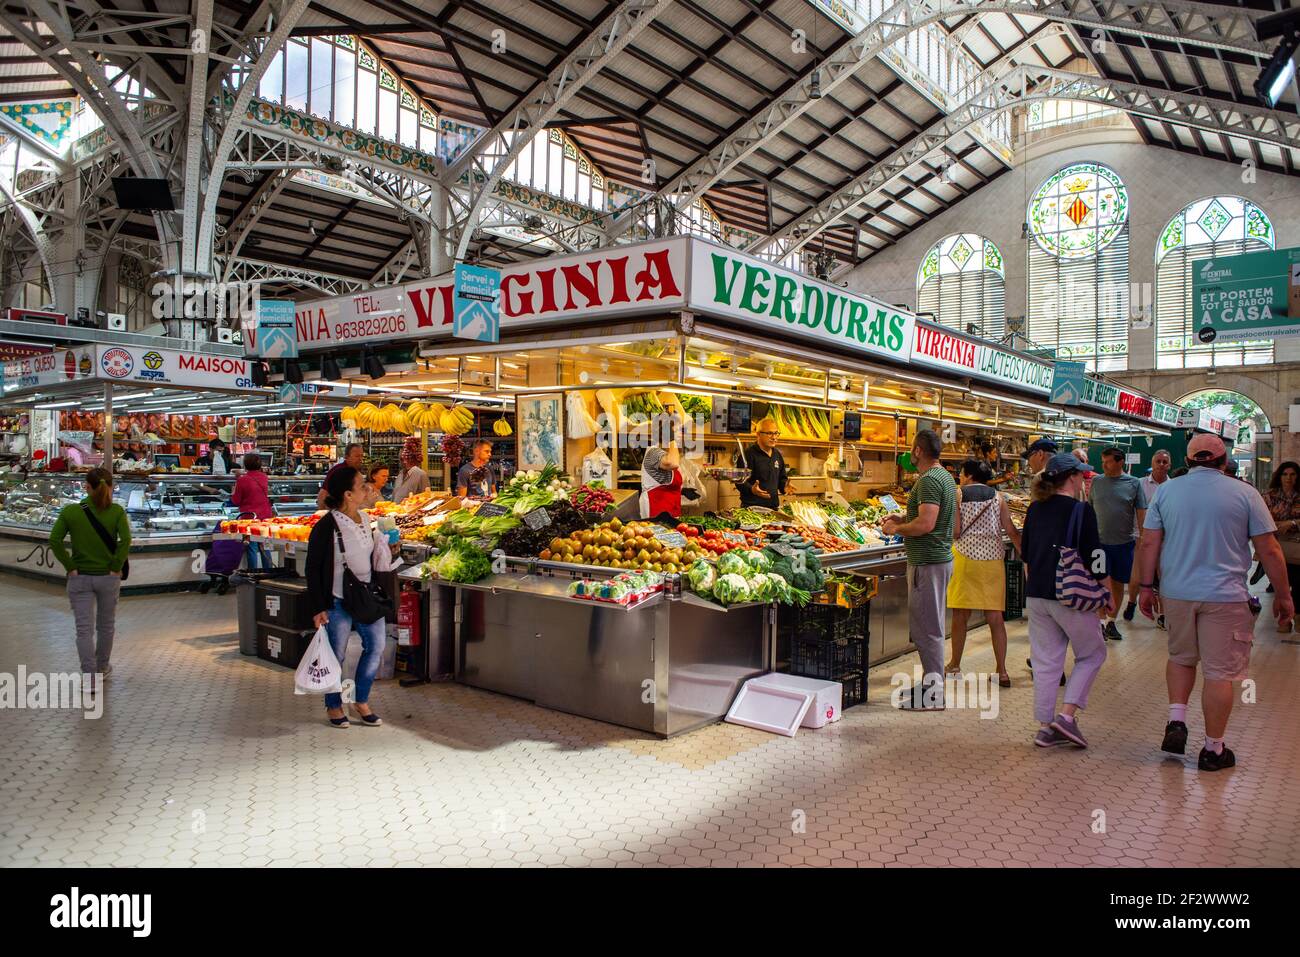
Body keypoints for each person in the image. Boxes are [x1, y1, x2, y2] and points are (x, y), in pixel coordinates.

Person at [1136, 434, 1294, 772]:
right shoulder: (1245, 493)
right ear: (1224, 462)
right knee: (1219, 673)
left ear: (1189, 461)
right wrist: (1283, 595)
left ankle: (1177, 721)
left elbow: (1149, 543)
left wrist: (1146, 587)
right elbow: (1269, 550)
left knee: (1180, 658)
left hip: (1177, 593)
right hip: (1225, 597)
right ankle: (1213, 749)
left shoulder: (1166, 491)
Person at [1019, 453, 1110, 748]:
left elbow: (1027, 554)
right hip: (1070, 595)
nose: (1084, 480)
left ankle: (1045, 727)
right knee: (1092, 653)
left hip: (1037, 593)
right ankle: (1067, 717)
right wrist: (1105, 591)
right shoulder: (1081, 511)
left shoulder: (1034, 509)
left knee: (1046, 661)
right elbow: (1095, 557)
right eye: (1081, 475)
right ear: (1071, 478)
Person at [305, 465, 398, 728]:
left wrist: (387, 547)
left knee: (376, 647)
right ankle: (334, 706)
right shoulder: (327, 526)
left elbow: (369, 556)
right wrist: (317, 607)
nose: (367, 488)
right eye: (361, 485)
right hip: (336, 600)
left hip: (365, 597)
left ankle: (361, 700)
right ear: (348, 494)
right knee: (336, 655)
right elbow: (312, 568)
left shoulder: (366, 519)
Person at [881, 428, 956, 711]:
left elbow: (926, 525)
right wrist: (903, 516)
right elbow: (929, 517)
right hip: (936, 560)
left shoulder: (928, 481)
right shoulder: (944, 477)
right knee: (928, 626)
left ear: (918, 451)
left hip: (928, 563)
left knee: (928, 629)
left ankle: (934, 694)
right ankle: (929, 683)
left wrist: (897, 528)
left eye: (912, 448)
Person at [48, 467, 131, 684]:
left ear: (86, 486)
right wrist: (115, 565)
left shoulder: (71, 512)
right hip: (108, 577)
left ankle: (89, 676)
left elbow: (54, 540)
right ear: (111, 487)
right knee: (106, 626)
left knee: (83, 630)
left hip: (80, 577)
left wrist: (70, 566)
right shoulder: (117, 512)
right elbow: (125, 541)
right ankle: (102, 667)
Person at [945, 459, 1022, 686]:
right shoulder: (998, 498)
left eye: (961, 473)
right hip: (992, 561)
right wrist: (1025, 554)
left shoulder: (958, 495)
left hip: (965, 559)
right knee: (995, 618)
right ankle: (1002, 671)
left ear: (968, 475)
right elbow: (1010, 529)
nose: (959, 476)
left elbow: (956, 531)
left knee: (960, 616)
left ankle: (955, 665)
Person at [1090, 447, 1147, 637]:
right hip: (1099, 544)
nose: (1103, 465)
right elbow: (1089, 510)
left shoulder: (1134, 484)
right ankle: (1099, 622)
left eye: (1107, 462)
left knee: (1117, 583)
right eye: (1102, 461)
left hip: (1124, 543)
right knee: (1098, 583)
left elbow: (1141, 513)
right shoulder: (1096, 482)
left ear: (1120, 462)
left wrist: (1143, 540)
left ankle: (1111, 622)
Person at [1261, 460, 1300, 628]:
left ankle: (1298, 615)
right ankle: (1285, 617)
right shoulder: (1269, 496)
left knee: (1298, 582)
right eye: (1285, 474)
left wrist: (1292, 523)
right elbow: (1261, 519)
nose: (1288, 478)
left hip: (1297, 546)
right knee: (1281, 584)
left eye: (1292, 474)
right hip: (1275, 545)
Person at [231, 453, 274, 570]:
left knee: (252, 547)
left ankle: (253, 574)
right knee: (265, 545)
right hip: (265, 516)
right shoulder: (264, 477)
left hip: (250, 517)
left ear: (245, 465)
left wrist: (234, 487)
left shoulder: (242, 480)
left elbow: (236, 501)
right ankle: (268, 574)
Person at [736, 416, 788, 509]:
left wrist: (785, 487)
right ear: (758, 434)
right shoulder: (747, 455)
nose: (774, 437)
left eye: (776, 433)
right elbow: (739, 481)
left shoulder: (777, 455)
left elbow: (782, 478)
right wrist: (751, 489)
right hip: (752, 509)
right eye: (769, 433)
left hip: (773, 508)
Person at [316, 443, 365, 508]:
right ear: (346, 457)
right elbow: (324, 492)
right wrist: (322, 511)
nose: (360, 459)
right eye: (357, 456)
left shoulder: (356, 471)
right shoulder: (338, 471)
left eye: (361, 456)